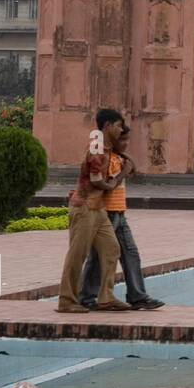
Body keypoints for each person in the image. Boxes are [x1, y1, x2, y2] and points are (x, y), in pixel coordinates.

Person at [78, 126, 166, 311]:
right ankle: (87, 296)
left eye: (127, 140)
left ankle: (137, 295)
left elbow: (133, 167)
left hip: (119, 212)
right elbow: (107, 184)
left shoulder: (117, 157)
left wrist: (127, 161)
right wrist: (124, 170)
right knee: (99, 257)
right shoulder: (104, 157)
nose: (126, 144)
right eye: (123, 140)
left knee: (130, 254)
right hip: (106, 213)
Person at [57, 108, 130, 313]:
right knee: (77, 255)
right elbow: (96, 180)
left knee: (111, 249)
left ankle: (106, 297)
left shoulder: (106, 148)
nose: (121, 129)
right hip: (84, 208)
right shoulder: (97, 147)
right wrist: (119, 178)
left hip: (98, 210)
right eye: (118, 125)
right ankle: (66, 300)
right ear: (107, 126)